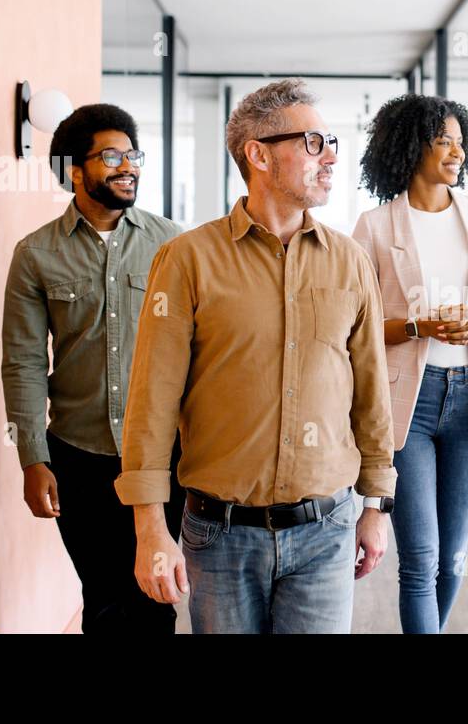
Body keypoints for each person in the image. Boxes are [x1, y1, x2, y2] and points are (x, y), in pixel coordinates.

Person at [116, 79, 398, 634]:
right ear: (258, 153)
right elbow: (152, 399)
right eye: (314, 142)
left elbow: (372, 390)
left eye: (331, 141)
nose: (332, 155)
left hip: (328, 526)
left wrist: (376, 506)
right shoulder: (186, 260)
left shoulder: (350, 261)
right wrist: (150, 527)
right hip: (219, 535)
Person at [0, 104, 183, 633]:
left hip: (161, 456)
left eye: (133, 155)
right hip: (80, 459)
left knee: (154, 595)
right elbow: (24, 361)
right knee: (102, 601)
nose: (128, 166)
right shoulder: (35, 254)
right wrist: (33, 459)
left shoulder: (174, 244)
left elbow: (204, 348)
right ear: (73, 170)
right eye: (111, 156)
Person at [352, 94, 468, 633]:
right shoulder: (376, 227)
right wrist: (419, 327)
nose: (456, 151)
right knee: (421, 559)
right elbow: (354, 329)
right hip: (410, 404)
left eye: (459, 140)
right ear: (410, 147)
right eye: (441, 140)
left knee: (453, 558)